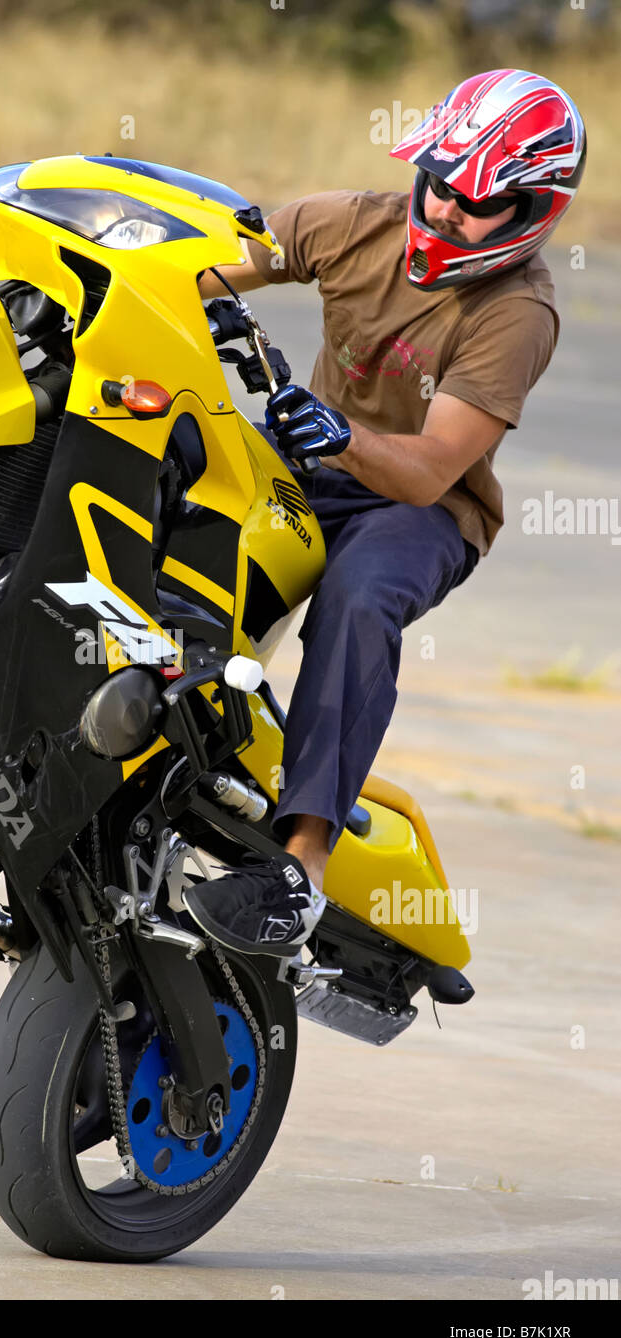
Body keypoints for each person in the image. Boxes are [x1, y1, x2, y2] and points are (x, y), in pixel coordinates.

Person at [183, 68, 586, 957]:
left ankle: (298, 870)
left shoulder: (516, 313)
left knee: (360, 601)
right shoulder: (348, 221)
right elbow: (195, 274)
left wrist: (333, 434)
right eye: (438, 182)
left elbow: (429, 470)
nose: (444, 209)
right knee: (177, 485)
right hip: (313, 465)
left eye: (475, 203)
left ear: (530, 214)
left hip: (424, 511)